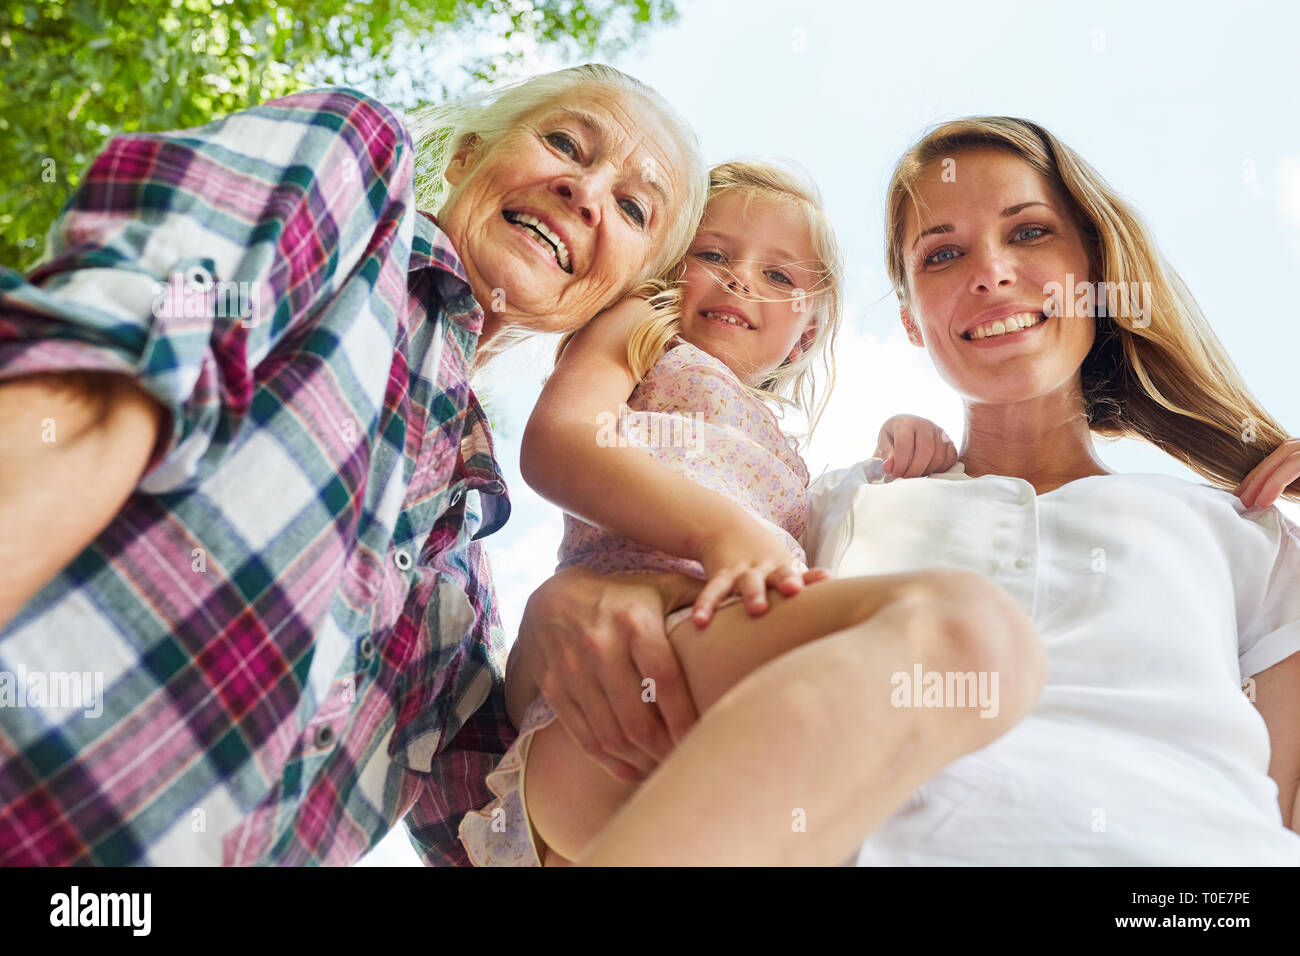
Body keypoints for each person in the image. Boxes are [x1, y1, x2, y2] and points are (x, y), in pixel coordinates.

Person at [510, 117, 1300, 865]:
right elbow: (669, 621)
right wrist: (567, 604)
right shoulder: (830, 505)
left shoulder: (1250, 533)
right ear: (912, 322)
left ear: (1095, 273)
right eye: (942, 254)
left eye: (1030, 232)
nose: (991, 271)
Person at [0, 64, 709, 865]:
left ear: (622, 292)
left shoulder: (463, 593)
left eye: (632, 206)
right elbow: (103, 371)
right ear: (468, 154)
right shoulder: (358, 172)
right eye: (563, 142)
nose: (586, 192)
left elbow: (511, 839)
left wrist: (584, 619)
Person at [461, 160, 1048, 866]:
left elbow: (836, 542)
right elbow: (561, 443)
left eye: (779, 277)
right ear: (666, 270)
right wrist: (722, 533)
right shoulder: (643, 339)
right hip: (624, 688)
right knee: (970, 633)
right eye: (712, 255)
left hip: (709, 762)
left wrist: (899, 444)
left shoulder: (793, 465)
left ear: (803, 334)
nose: (740, 279)